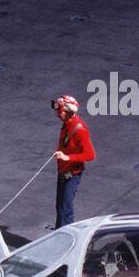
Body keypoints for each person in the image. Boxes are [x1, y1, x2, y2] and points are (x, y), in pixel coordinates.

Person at [51, 94, 95, 229]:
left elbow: (90, 155)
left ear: (69, 112)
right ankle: (58, 236)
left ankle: (66, 240)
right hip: (63, 171)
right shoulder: (66, 124)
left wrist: (67, 158)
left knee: (65, 210)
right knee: (60, 207)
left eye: (61, 111)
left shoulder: (79, 129)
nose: (58, 114)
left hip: (72, 174)